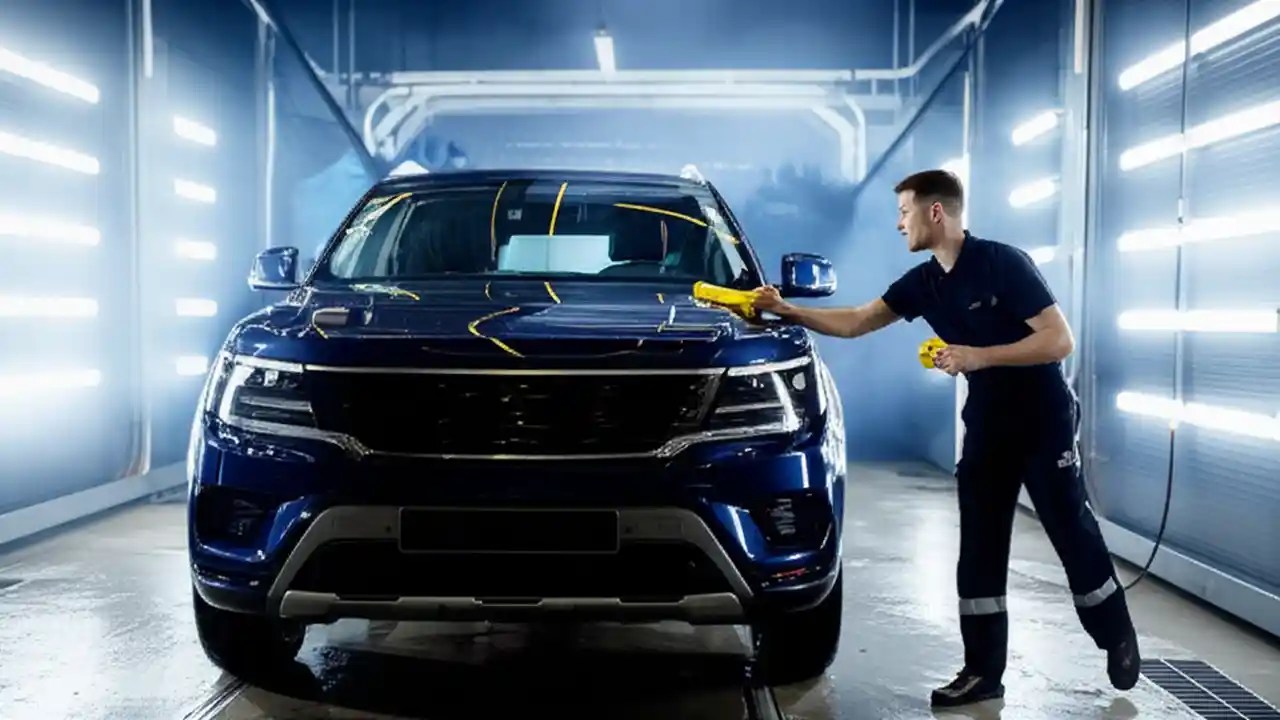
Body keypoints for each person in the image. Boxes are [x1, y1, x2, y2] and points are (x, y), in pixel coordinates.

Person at [751, 169, 1140, 708]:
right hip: (987, 424)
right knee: (979, 545)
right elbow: (860, 319)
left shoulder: (1002, 263)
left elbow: (1059, 340)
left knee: (1067, 526)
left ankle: (1115, 632)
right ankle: (983, 673)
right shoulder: (924, 282)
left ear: (937, 212)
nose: (898, 223)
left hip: (1041, 417)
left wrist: (978, 356)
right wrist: (789, 311)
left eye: (905, 211)